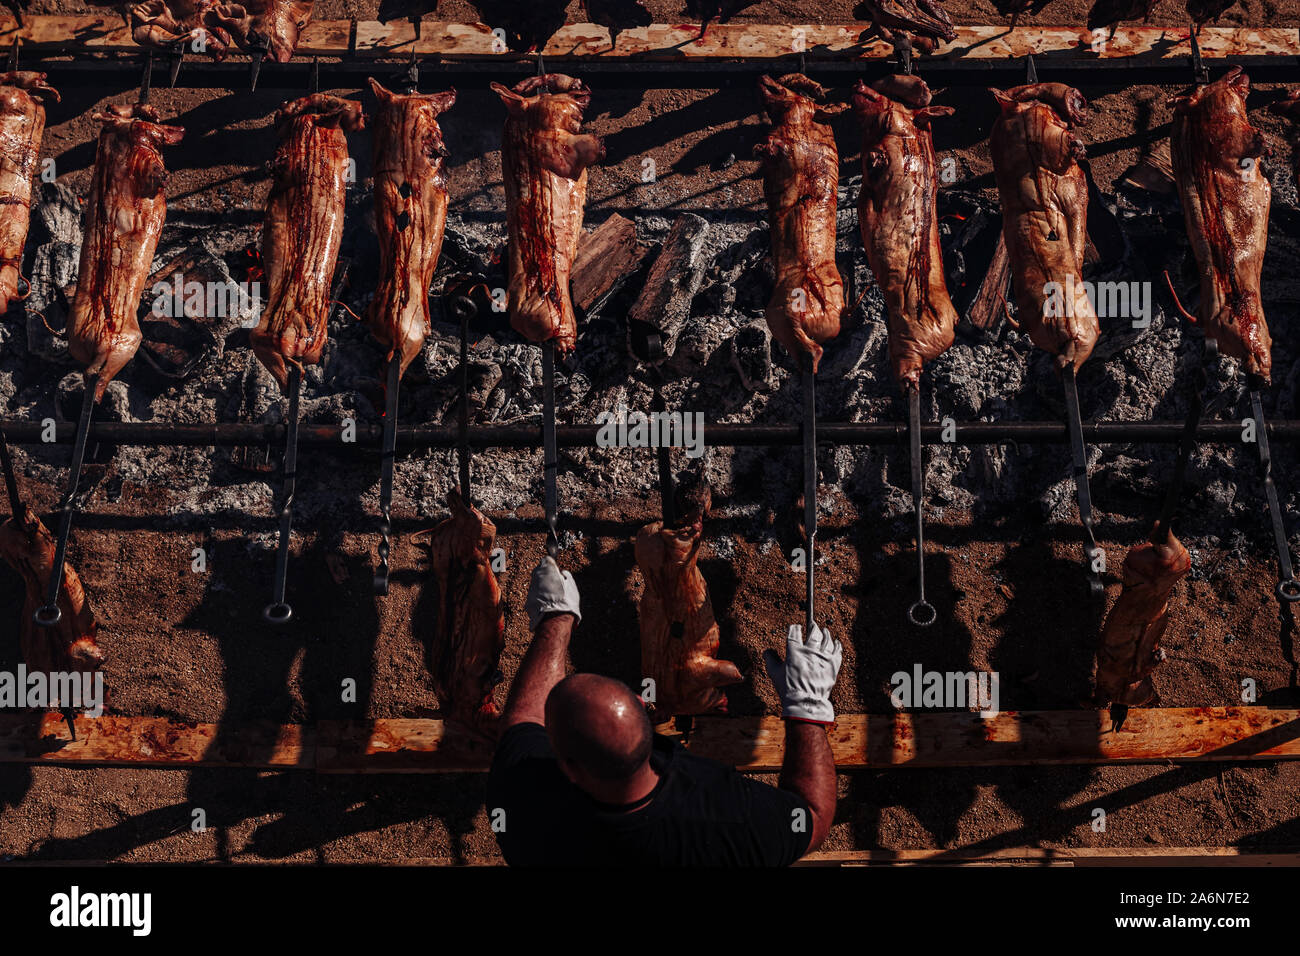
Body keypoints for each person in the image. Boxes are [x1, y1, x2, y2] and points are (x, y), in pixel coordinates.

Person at [485, 554, 842, 866]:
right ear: (645, 710)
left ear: (569, 768)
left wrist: (556, 621)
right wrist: (807, 705)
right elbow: (812, 817)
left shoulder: (528, 818)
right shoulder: (731, 823)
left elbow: (523, 722)